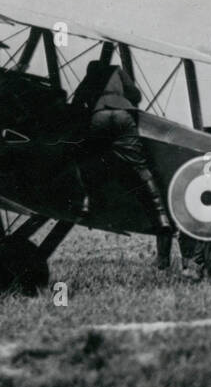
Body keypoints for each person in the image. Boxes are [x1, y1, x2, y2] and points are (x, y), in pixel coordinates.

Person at [72, 61, 174, 265]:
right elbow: (136, 96)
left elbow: (78, 100)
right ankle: (162, 217)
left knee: (87, 158)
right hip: (123, 116)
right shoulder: (117, 70)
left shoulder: (93, 70)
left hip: (99, 116)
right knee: (139, 166)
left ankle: (87, 202)